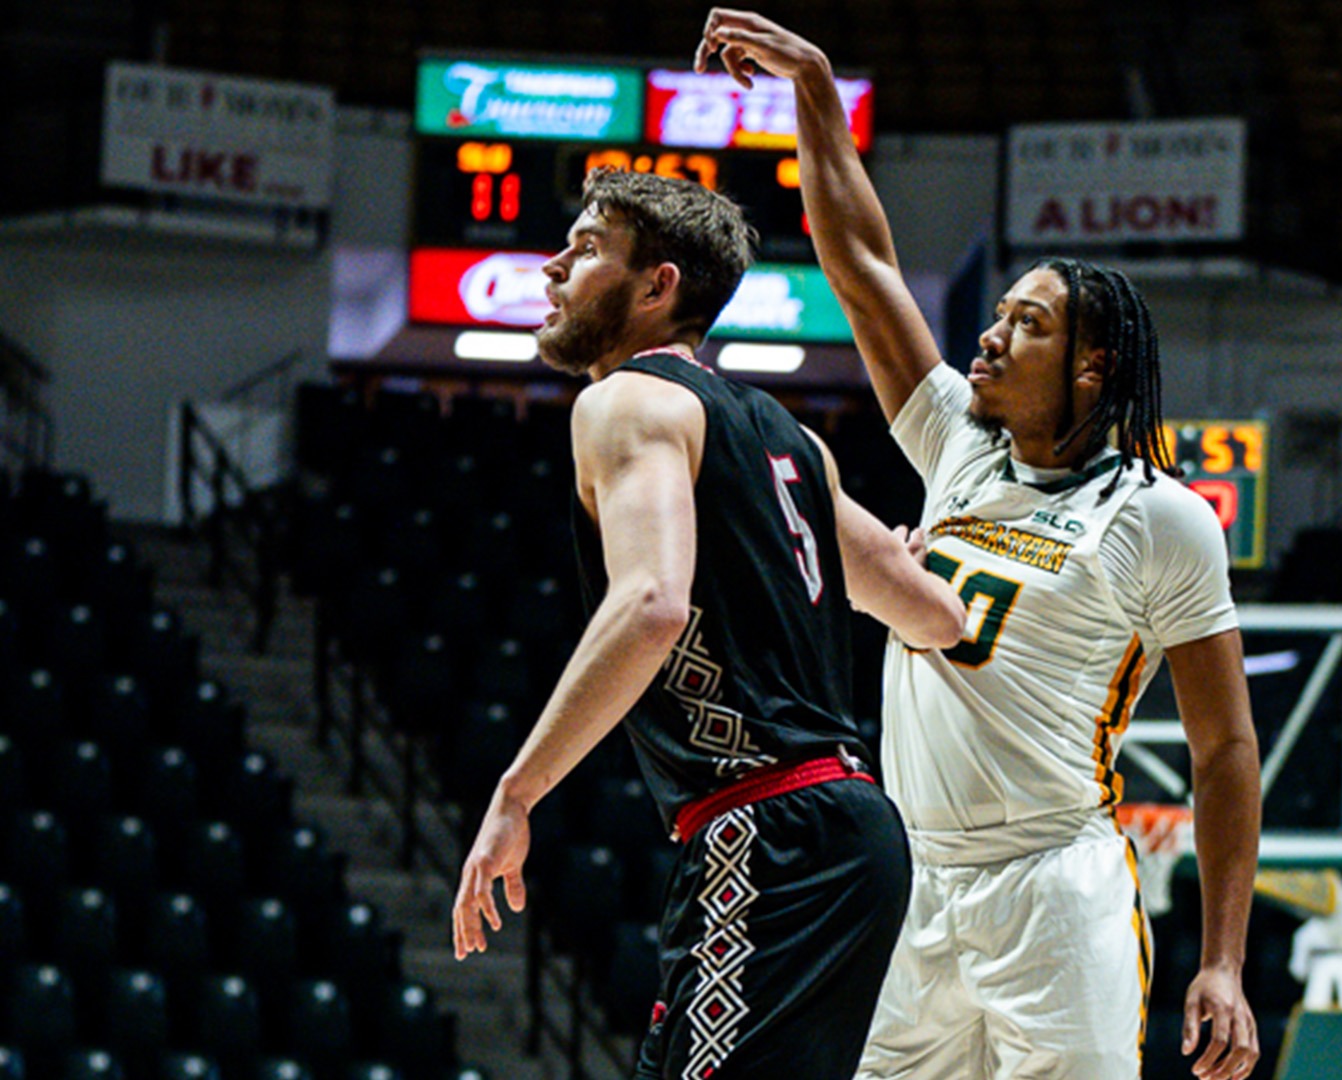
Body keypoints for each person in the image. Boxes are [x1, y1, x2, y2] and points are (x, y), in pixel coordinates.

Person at [696, 13, 1264, 1080]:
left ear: (1092, 368)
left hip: (1054, 883)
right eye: (996, 315)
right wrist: (813, 90)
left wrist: (1223, 961)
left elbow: (1225, 748)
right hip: (911, 876)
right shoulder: (960, 444)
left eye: (1028, 324)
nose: (989, 336)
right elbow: (860, 264)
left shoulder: (1161, 517)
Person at [449, 166, 967, 1080]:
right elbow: (931, 613)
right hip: (858, 835)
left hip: (763, 829)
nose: (552, 268)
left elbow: (651, 606)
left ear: (659, 286)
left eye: (586, 249)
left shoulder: (624, 402)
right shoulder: (791, 437)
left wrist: (517, 792)